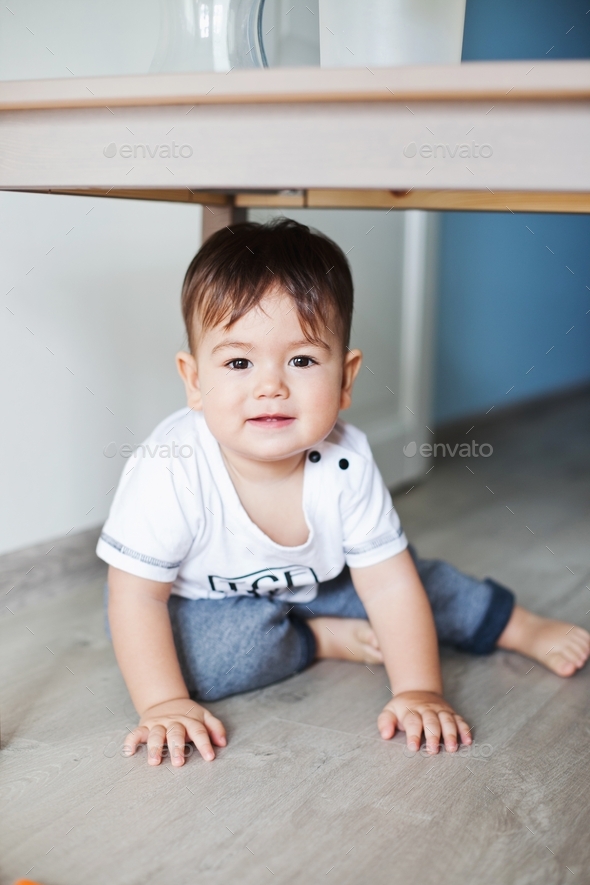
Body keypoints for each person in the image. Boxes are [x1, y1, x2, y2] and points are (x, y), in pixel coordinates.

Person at [97, 218, 590, 768]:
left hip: (325, 583)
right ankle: (320, 641)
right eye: (238, 362)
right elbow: (137, 597)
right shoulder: (171, 468)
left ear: (345, 379)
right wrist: (165, 704)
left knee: (421, 586)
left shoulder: (346, 459)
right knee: (203, 665)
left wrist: (419, 690)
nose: (271, 386)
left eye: (302, 360)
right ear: (193, 381)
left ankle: (518, 624)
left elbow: (387, 586)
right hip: (208, 605)